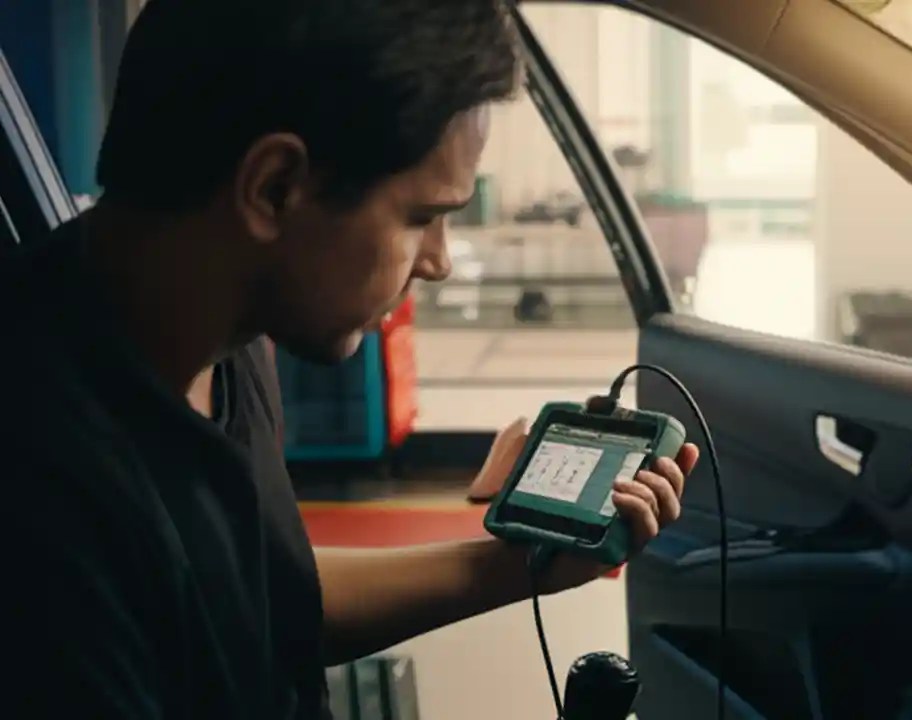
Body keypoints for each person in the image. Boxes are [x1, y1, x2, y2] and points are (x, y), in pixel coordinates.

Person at [2, 0, 697, 717]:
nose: (438, 263)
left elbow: (264, 601)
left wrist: (522, 564)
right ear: (274, 188)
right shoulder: (41, 510)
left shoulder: (222, 333)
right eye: (422, 217)